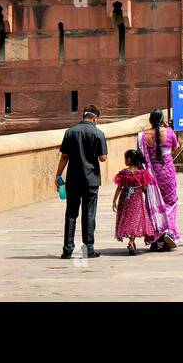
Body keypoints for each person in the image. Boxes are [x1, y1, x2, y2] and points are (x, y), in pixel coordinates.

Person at [56, 105, 109, 258]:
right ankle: (88, 249)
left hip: (73, 179)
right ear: (95, 118)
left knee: (71, 213)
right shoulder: (98, 133)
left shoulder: (70, 132)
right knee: (89, 214)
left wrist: (58, 174)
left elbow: (64, 156)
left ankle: (67, 249)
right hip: (91, 179)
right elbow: (103, 158)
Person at [138, 109, 180, 249]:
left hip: (151, 175)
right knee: (170, 202)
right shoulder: (169, 133)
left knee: (153, 204)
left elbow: (140, 157)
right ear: (162, 120)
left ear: (150, 120)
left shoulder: (143, 136)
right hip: (167, 173)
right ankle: (168, 232)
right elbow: (176, 148)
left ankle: (156, 238)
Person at [112, 148, 156, 254]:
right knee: (136, 220)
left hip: (124, 200)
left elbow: (119, 188)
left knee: (126, 219)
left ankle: (131, 242)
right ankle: (132, 241)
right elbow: (145, 189)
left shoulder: (123, 173)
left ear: (129, 159)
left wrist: (114, 200)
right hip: (137, 200)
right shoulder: (142, 173)